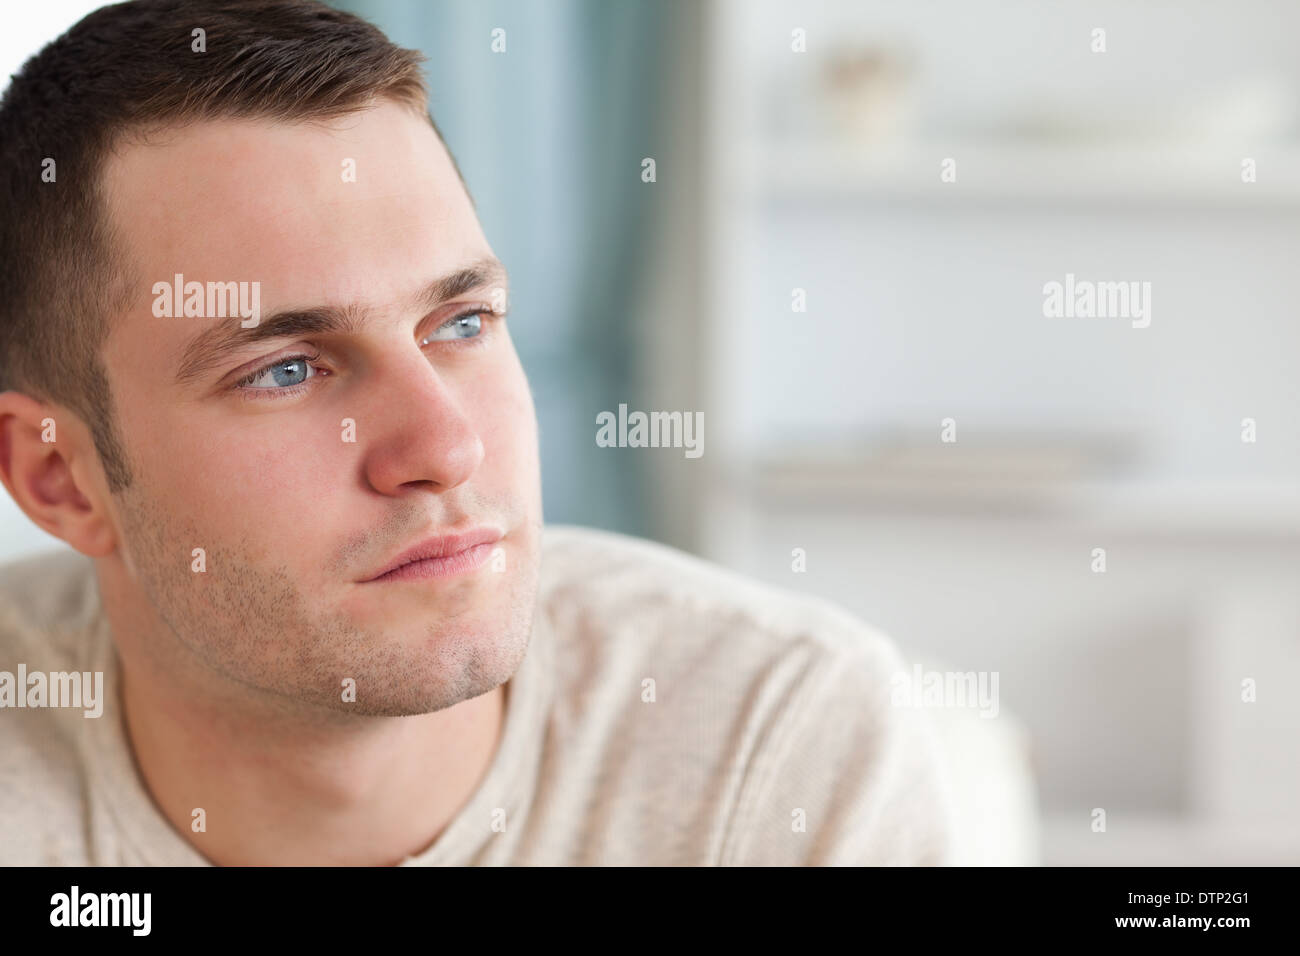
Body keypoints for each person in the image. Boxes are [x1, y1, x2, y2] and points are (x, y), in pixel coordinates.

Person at [0, 0, 954, 865]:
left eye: (461, 324)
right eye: (284, 370)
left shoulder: (777, 744)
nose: (446, 449)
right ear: (60, 481)